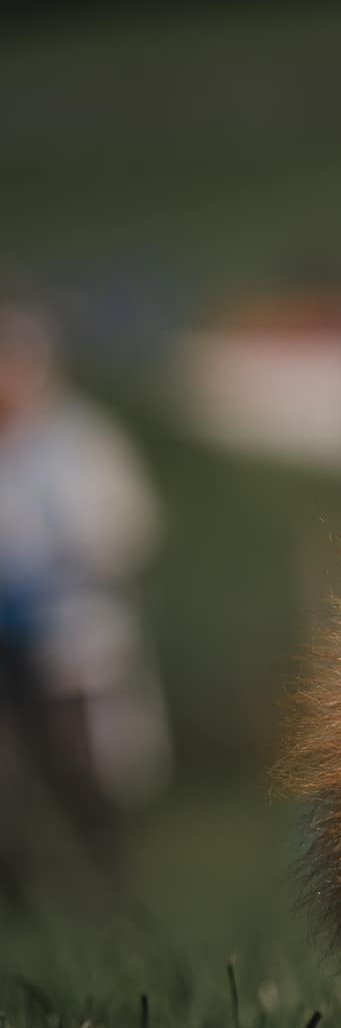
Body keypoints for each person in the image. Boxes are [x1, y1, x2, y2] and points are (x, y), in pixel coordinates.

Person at [0, 303, 166, 904]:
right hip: (9, 636)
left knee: (78, 765)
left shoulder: (81, 439)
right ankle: (19, 892)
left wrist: (73, 550)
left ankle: (108, 885)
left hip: (72, 630)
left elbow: (127, 527)